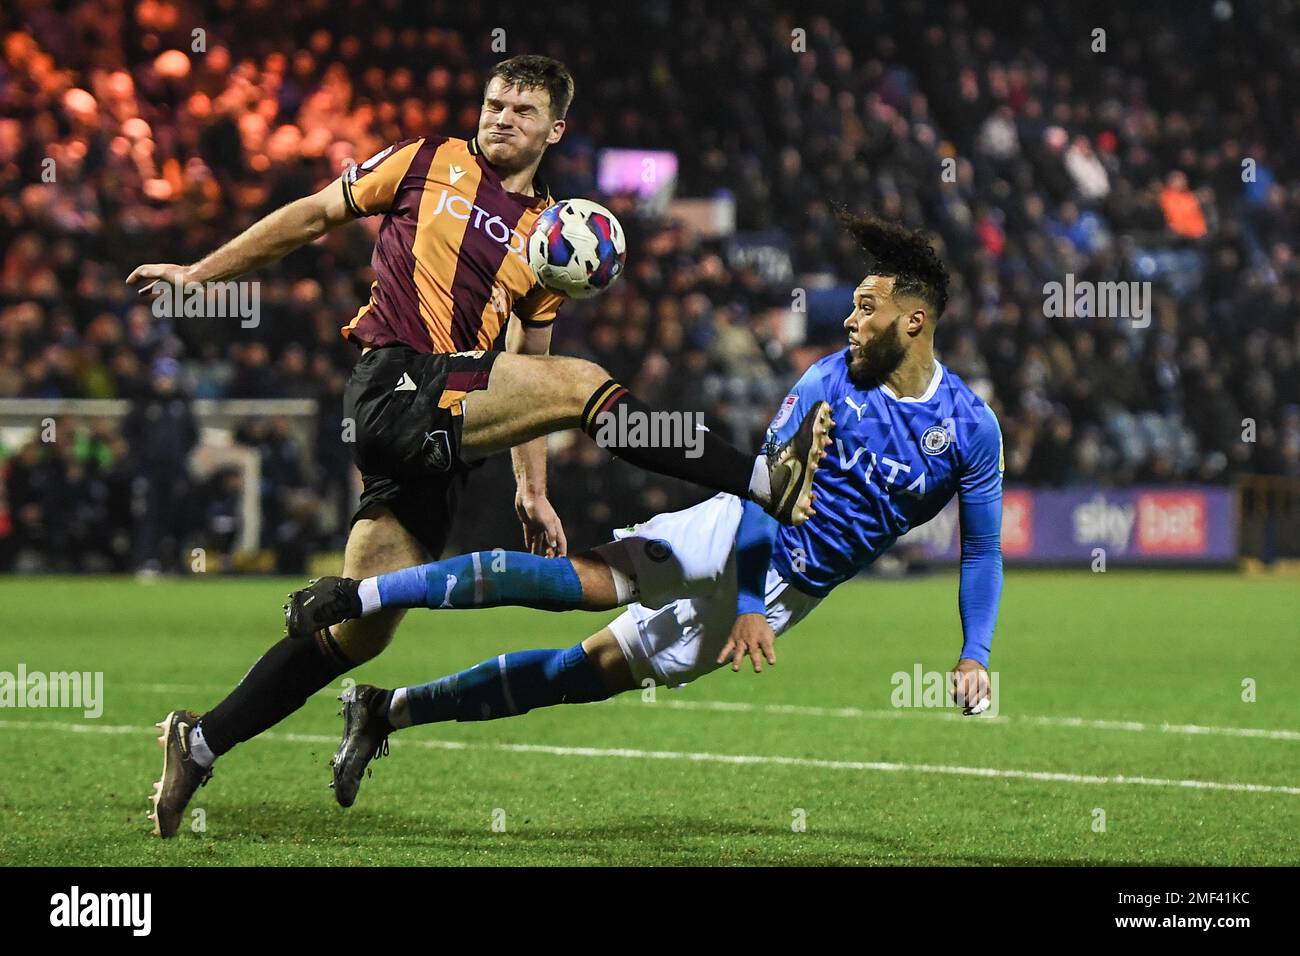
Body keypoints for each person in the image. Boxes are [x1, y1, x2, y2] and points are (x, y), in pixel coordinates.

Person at [135, 55, 829, 838]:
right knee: (588, 386)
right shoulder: (423, 160)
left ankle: (200, 741)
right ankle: (762, 479)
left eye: (522, 111)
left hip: (446, 429)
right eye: (494, 103)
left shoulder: (549, 233)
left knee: (360, 627)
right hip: (397, 380)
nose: (501, 118)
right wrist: (201, 272)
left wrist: (531, 490)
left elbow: (528, 368)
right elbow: (312, 215)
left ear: (555, 129)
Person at [284, 213, 1006, 810]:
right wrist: (747, 602)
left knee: (577, 674)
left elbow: (982, 550)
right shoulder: (829, 381)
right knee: (576, 586)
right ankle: (359, 595)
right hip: (732, 536)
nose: (849, 319)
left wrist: (975, 654)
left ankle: (385, 710)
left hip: (795, 594)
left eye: (867, 309)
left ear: (915, 321)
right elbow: (765, 493)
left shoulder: (971, 429)